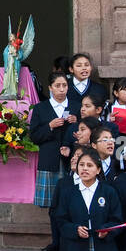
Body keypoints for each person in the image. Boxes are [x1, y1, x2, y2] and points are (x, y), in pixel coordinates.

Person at [30, 72, 75, 223]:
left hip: (72, 159)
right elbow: (34, 136)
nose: (61, 89)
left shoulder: (76, 106)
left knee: (71, 202)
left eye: (64, 85)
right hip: (50, 159)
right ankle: (55, 240)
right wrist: (49, 126)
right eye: (57, 86)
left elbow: (86, 129)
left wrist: (76, 121)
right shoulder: (40, 108)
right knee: (52, 206)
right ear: (50, 88)